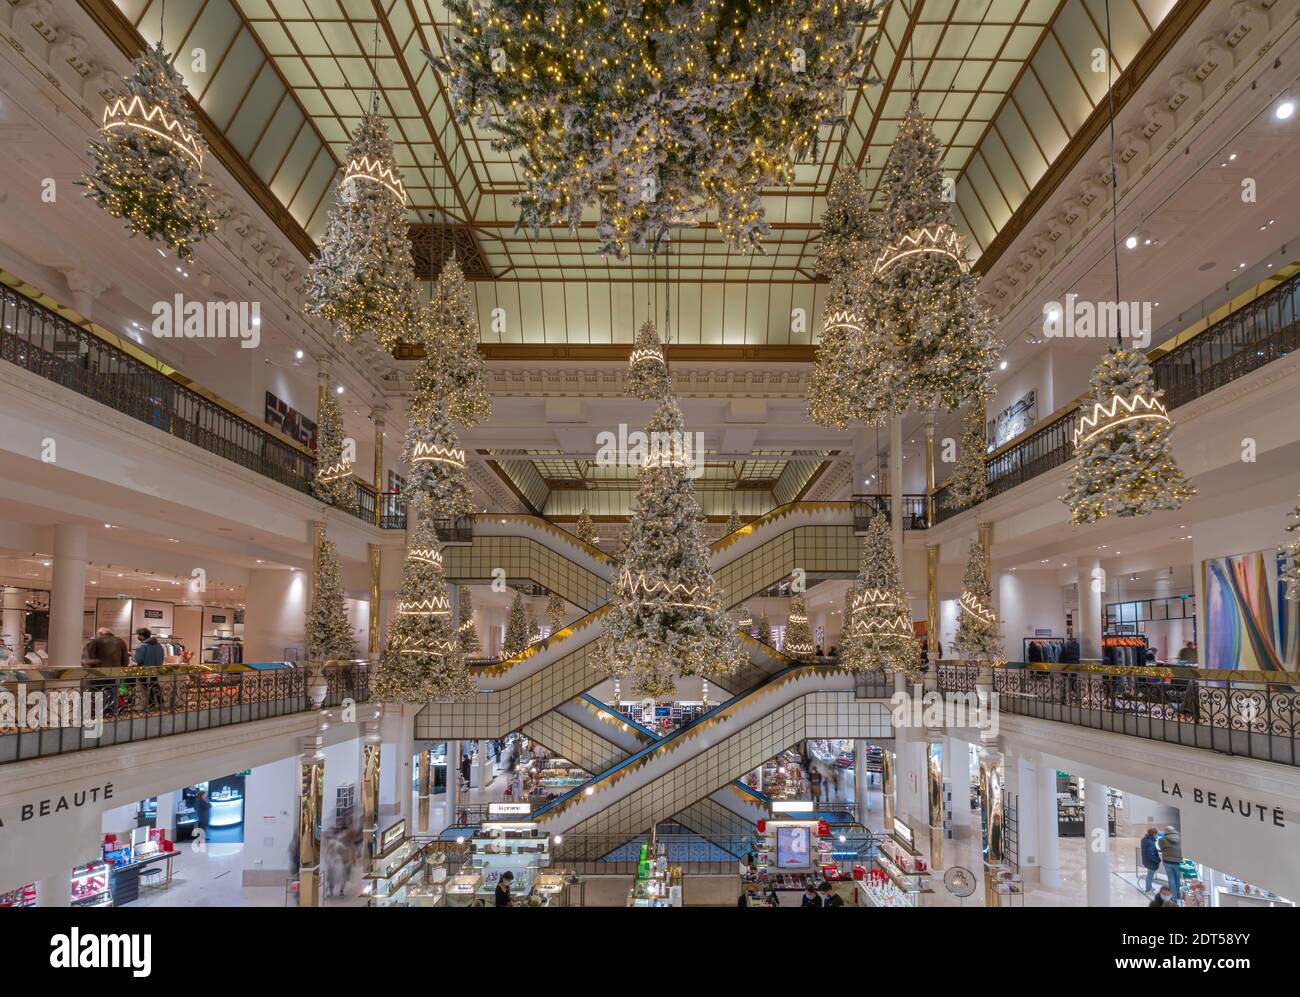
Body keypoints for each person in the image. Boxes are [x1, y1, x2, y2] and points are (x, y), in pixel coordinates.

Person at [1159, 825, 1183, 901]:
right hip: (1178, 861)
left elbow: (1161, 848)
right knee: (1177, 879)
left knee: (1171, 879)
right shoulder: (1181, 838)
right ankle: (1178, 894)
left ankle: (1174, 897)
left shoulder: (1162, 840)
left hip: (1167, 861)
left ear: (1166, 831)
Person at [1140, 827, 1162, 893]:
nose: (1157, 835)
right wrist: (1157, 860)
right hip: (1151, 862)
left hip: (1146, 860)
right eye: (1157, 834)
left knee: (1149, 875)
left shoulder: (1145, 840)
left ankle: (1149, 887)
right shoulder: (1151, 843)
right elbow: (1151, 855)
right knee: (1150, 876)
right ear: (1154, 834)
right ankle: (1148, 888)